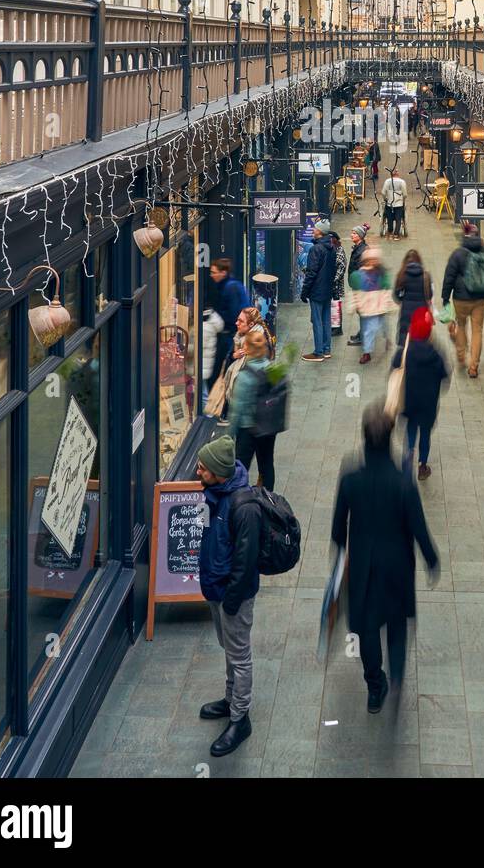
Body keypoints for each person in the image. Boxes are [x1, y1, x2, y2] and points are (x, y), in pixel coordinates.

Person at [331, 404, 440, 712]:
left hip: (364, 568)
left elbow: (338, 530)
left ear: (365, 440)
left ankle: (375, 684)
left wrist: (342, 555)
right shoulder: (404, 483)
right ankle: (397, 676)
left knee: (367, 628)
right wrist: (431, 560)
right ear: (391, 437)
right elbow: (418, 527)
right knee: (396, 623)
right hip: (397, 569)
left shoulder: (351, 478)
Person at [196, 434, 261, 757]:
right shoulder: (214, 492)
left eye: (203, 468)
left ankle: (240, 718)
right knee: (228, 649)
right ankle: (230, 697)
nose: (198, 471)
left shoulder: (242, 506)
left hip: (232, 595)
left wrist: (232, 601)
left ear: (219, 472)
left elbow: (246, 561)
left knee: (239, 655)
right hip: (215, 588)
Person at [391, 306, 449, 481]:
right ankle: (423, 464)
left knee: (410, 432)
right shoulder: (436, 355)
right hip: (428, 405)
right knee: (425, 434)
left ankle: (408, 458)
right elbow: (445, 377)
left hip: (408, 403)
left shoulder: (404, 353)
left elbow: (394, 369)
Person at [228, 325, 285, 491]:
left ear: (248, 349)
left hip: (249, 428)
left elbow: (236, 410)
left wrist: (229, 435)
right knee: (267, 463)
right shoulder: (273, 369)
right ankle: (268, 497)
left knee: (241, 466)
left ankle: (240, 497)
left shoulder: (245, 376)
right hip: (269, 426)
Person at [440, 219, 484, 378]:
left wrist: (445, 298)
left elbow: (449, 276)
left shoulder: (458, 254)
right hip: (481, 299)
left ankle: (461, 355)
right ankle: (474, 366)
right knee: (478, 331)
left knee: (461, 326)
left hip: (461, 299)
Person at [207, 258, 250, 388]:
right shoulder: (230, 285)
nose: (211, 275)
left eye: (214, 272)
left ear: (223, 273)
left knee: (222, 366)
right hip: (230, 333)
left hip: (229, 334)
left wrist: (213, 317)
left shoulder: (229, 288)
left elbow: (232, 315)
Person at [301, 219, 336, 361]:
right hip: (327, 288)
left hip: (317, 289)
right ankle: (327, 349)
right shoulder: (331, 247)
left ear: (320, 232)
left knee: (317, 321)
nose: (313, 230)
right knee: (326, 320)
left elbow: (311, 272)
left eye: (315, 229)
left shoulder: (316, 249)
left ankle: (318, 352)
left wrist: (304, 291)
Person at [350, 246, 393, 364]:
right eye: (371, 259)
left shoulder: (381, 274)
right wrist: (354, 305)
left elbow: (387, 289)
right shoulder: (358, 275)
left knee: (382, 324)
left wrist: (387, 303)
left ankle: (387, 337)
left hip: (379, 306)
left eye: (375, 259)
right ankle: (367, 352)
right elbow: (355, 291)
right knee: (369, 329)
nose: (373, 261)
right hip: (366, 307)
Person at [392, 248, 433, 345]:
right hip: (421, 310)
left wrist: (403, 299)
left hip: (406, 310)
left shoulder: (402, 275)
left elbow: (397, 295)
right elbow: (429, 295)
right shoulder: (426, 276)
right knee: (420, 334)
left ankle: (406, 354)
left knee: (405, 333)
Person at [346, 223, 370, 347]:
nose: (352, 235)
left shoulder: (362, 250)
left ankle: (363, 336)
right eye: (352, 232)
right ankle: (361, 333)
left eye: (354, 233)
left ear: (360, 236)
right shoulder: (358, 247)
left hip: (361, 287)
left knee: (362, 312)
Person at [328, 230, 347, 337]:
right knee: (333, 305)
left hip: (335, 285)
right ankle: (333, 326)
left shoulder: (339, 251)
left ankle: (337, 328)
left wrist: (332, 280)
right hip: (331, 283)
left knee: (335, 305)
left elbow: (341, 268)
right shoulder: (332, 249)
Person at [381, 168, 407, 240]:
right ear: (398, 174)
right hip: (399, 203)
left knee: (389, 218)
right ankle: (396, 234)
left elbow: (383, 192)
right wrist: (403, 200)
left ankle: (390, 231)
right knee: (398, 218)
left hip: (389, 203)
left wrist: (385, 198)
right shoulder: (402, 182)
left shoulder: (387, 181)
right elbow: (405, 194)